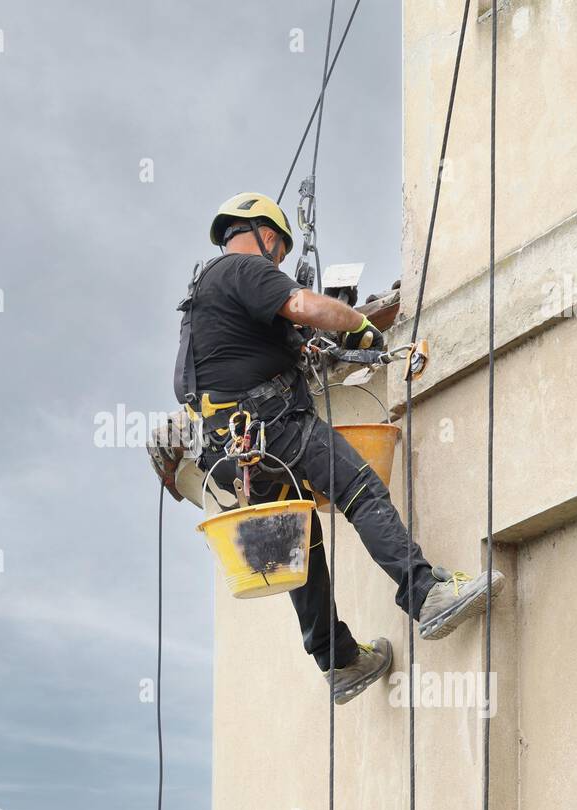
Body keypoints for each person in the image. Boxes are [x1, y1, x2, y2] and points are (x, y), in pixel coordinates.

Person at [173, 192, 504, 704]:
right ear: (264, 234)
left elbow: (246, 354)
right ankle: (428, 594)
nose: (279, 262)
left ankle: (340, 661)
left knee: (299, 546)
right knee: (360, 489)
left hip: (232, 457)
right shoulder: (243, 268)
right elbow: (304, 305)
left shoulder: (200, 304)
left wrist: (299, 345)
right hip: (273, 425)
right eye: (279, 252)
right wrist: (359, 325)